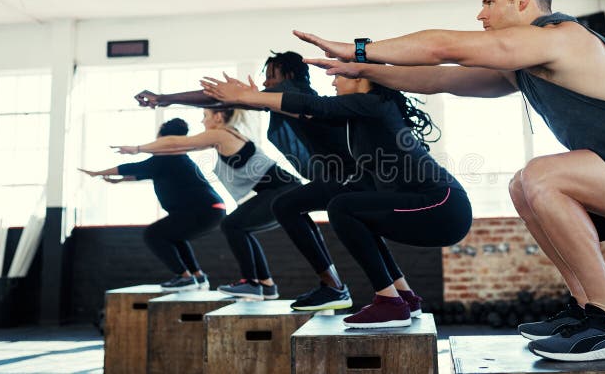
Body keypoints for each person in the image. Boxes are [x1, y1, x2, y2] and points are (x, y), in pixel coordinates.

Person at [293, 0, 605, 360]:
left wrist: (359, 50)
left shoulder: (562, 38)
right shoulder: (524, 65)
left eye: (488, 2)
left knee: (541, 175)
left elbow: (444, 48)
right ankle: (588, 311)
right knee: (523, 187)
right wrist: (367, 71)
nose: (480, 16)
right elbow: (442, 77)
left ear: (522, 1)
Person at [201, 72, 473, 328]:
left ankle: (390, 303)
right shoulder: (360, 113)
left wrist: (250, 98)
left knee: (343, 207)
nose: (332, 83)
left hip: (442, 206)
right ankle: (404, 297)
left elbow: (315, 105)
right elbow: (305, 110)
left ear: (360, 78)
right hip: (432, 205)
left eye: (339, 76)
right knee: (349, 207)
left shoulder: (374, 104)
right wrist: (255, 97)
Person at [133, 52, 372, 311]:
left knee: (271, 212)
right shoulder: (288, 100)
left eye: (271, 76)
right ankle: (342, 288)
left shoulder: (297, 99)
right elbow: (222, 100)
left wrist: (154, 118)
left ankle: (327, 287)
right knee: (278, 211)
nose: (266, 84)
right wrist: (165, 99)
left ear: (289, 76)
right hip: (333, 177)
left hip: (348, 178)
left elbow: (219, 108)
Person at [112, 109, 300, 300]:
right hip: (283, 190)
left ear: (218, 117)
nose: (202, 121)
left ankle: (251, 283)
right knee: (241, 227)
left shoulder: (220, 134)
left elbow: (176, 142)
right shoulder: (226, 135)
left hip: (282, 190)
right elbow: (177, 146)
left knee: (231, 225)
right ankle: (266, 285)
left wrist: (137, 148)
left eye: (206, 116)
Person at [79, 118, 226, 292]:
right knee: (173, 236)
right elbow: (143, 172)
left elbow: (133, 167)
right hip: (212, 209)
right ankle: (197, 276)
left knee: (153, 234)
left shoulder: (166, 158)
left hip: (203, 210)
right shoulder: (174, 159)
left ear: (162, 137)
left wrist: (97, 173)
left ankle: (185, 277)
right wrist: (119, 180)